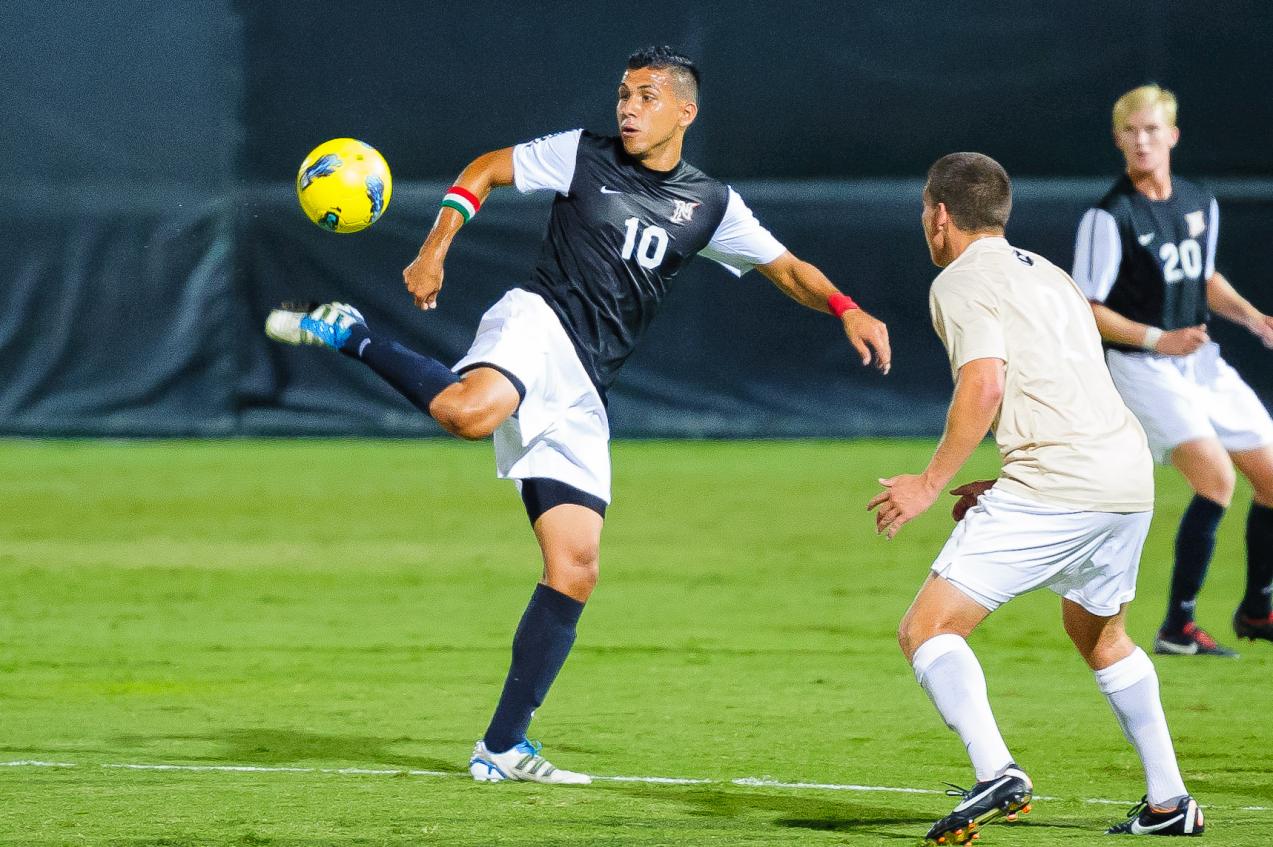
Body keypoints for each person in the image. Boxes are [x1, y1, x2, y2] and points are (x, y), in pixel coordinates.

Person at [265, 46, 891, 784]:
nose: (628, 108)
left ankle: (502, 747)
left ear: (685, 112)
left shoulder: (711, 205)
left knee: (575, 567)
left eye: (647, 96)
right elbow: (486, 169)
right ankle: (352, 333)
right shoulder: (582, 155)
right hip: (538, 323)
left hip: (586, 385)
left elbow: (785, 268)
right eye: (624, 94)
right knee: (468, 413)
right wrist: (434, 248)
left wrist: (846, 307)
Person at [869, 152, 1202, 842]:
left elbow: (984, 385)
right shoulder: (1049, 273)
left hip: (1060, 481)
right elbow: (1066, 384)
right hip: (1124, 476)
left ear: (940, 215)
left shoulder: (960, 280)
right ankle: (1169, 800)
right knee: (1100, 634)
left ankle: (995, 770)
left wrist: (928, 483)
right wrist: (1008, 476)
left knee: (927, 628)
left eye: (925, 211)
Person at [1071, 84, 1273, 658]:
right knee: (1216, 480)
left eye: (1151, 129)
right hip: (1142, 366)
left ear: (1173, 136)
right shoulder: (1109, 216)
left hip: (1198, 362)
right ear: (1117, 139)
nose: (1141, 140)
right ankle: (1177, 627)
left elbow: (1202, 278)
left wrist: (1253, 317)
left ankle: (1257, 609)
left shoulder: (1198, 200)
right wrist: (1160, 339)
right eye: (1130, 131)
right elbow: (1087, 308)